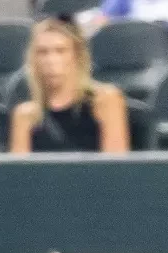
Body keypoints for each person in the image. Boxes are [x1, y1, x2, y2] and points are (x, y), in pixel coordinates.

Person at [10, 18, 130, 154]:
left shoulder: (105, 101)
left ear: (77, 55)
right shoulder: (25, 115)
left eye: (60, 51)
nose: (51, 61)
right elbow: (19, 172)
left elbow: (116, 168)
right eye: (43, 52)